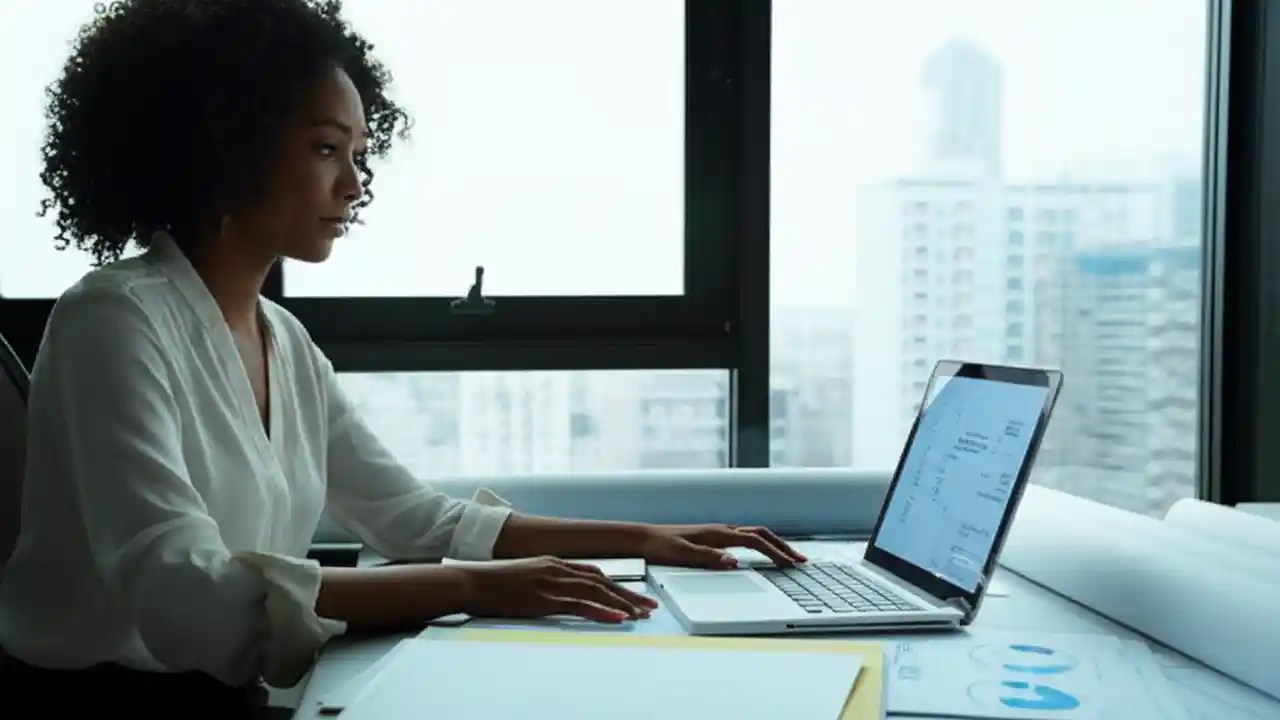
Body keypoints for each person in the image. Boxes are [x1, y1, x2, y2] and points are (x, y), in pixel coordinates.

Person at [0, 0, 806, 716]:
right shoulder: (113, 320)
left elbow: (421, 521)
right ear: (225, 143)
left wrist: (646, 539)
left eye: (359, 152)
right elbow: (183, 593)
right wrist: (467, 587)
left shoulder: (284, 340)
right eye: (326, 149)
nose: (354, 184)